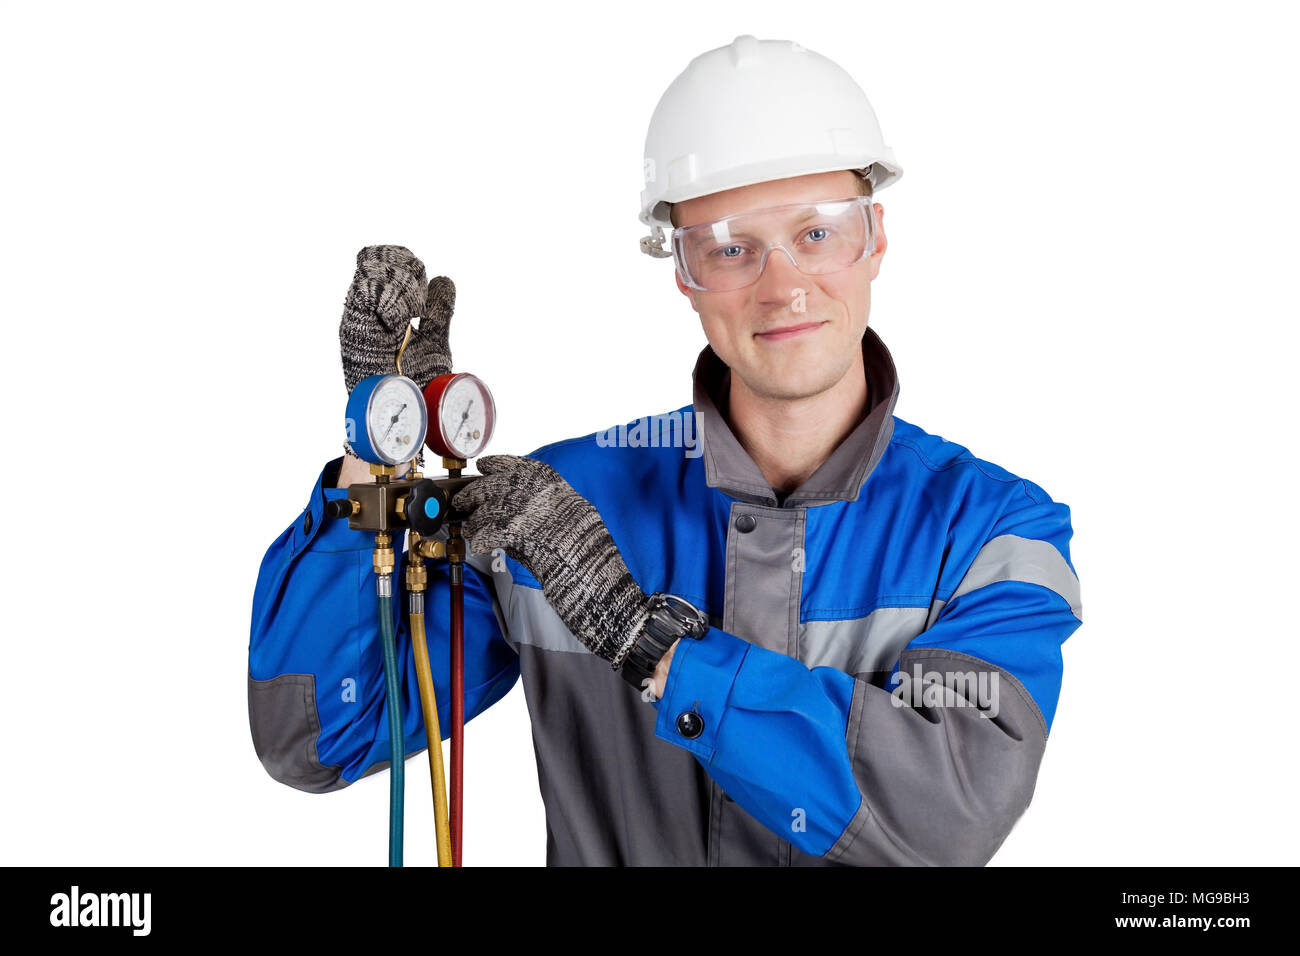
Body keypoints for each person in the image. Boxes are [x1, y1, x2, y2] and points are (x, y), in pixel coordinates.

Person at [248, 35, 1082, 866]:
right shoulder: (557, 503)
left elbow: (945, 820)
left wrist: (641, 639)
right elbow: (316, 737)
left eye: (819, 233)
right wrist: (376, 456)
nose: (783, 284)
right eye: (729, 246)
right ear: (681, 272)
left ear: (876, 239)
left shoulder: (989, 536)